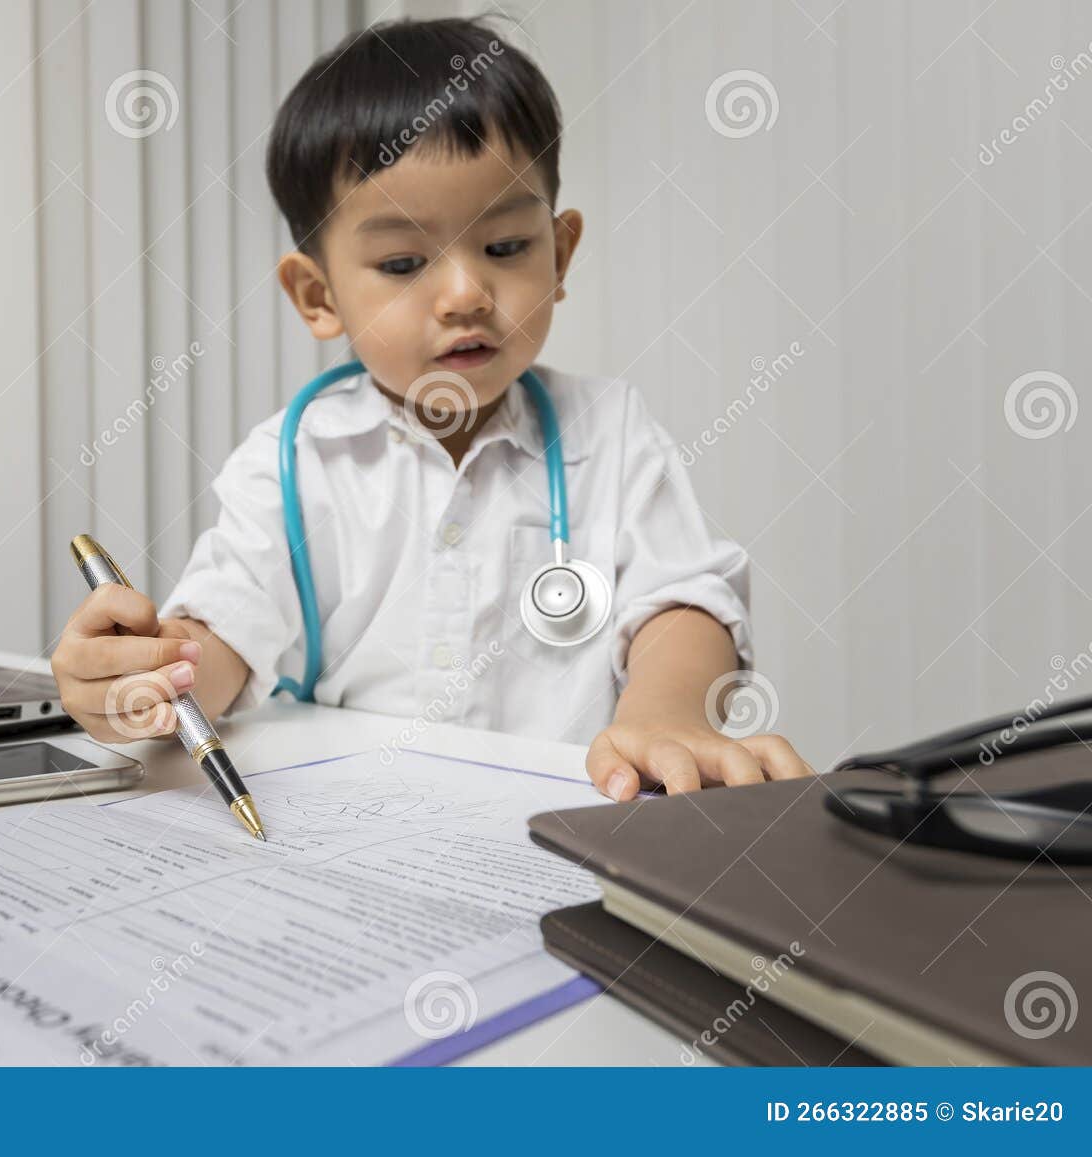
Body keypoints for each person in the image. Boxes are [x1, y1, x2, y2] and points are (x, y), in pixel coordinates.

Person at [51, 16, 813, 800]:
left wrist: (668, 712)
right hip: (362, 830)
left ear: (561, 254)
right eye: (405, 263)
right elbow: (222, 637)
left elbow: (682, 601)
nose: (465, 295)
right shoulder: (294, 458)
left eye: (507, 248)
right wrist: (143, 682)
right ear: (318, 296)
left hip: (566, 821)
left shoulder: (609, 431)